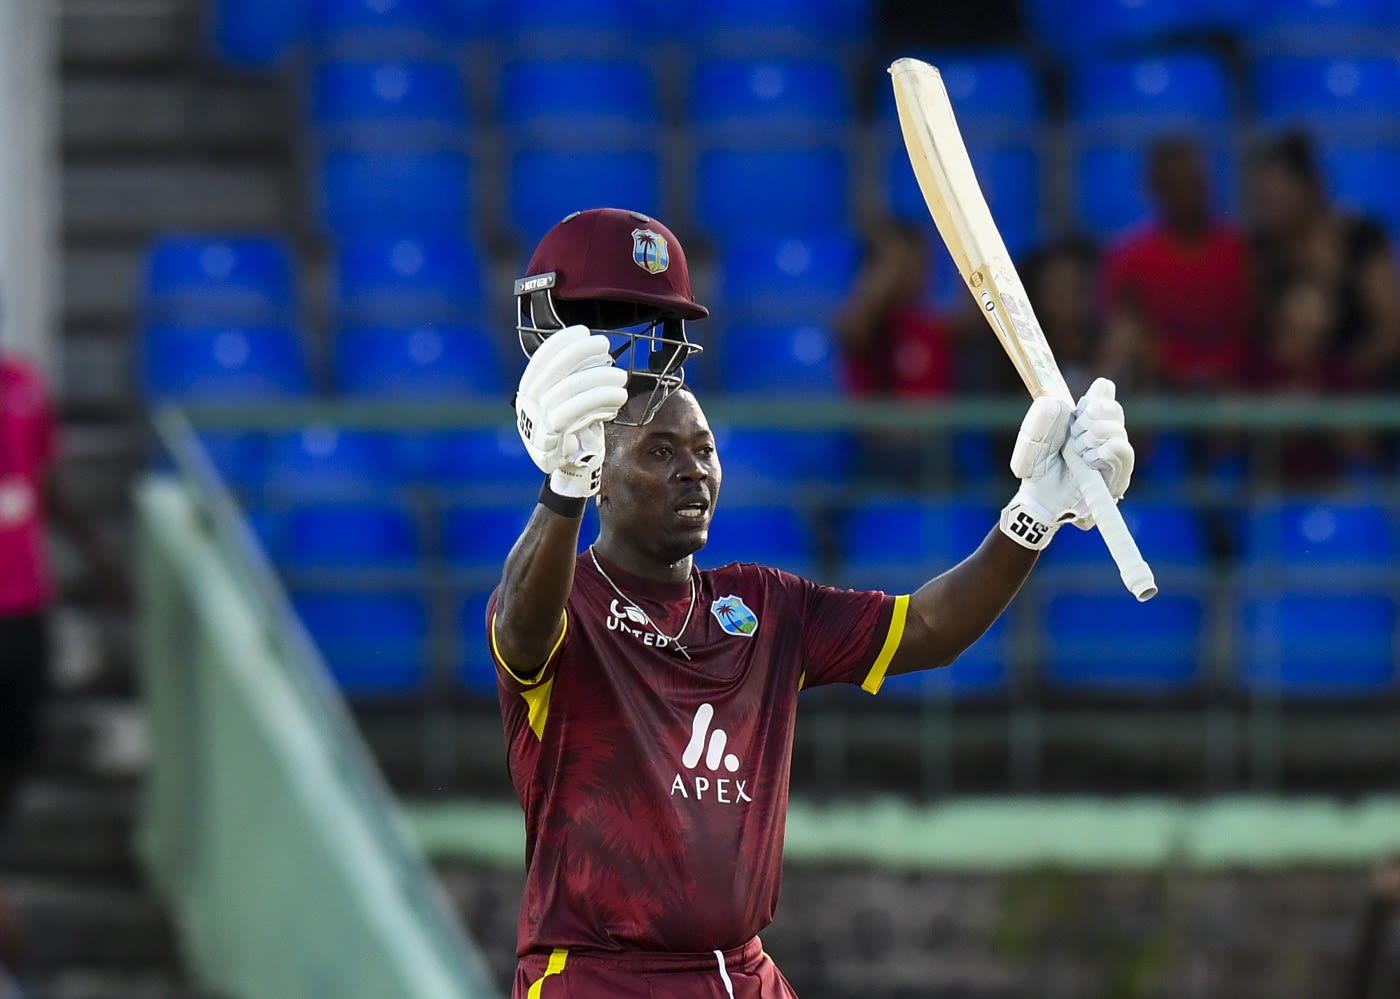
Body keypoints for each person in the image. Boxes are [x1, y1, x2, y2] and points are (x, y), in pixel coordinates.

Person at [489, 207, 1136, 999]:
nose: (694, 470)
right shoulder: (569, 601)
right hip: (598, 979)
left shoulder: (764, 606)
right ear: (602, 475)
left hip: (745, 974)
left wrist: (1034, 511)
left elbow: (930, 628)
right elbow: (519, 627)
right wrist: (560, 490)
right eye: (660, 452)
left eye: (704, 450)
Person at [0, 329, 126, 986]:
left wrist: (97, 553)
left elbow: (43, 483)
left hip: (22, 606)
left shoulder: (22, 388)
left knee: (22, 743)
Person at [1248, 129, 1400, 391]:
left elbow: (1391, 333)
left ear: (1311, 187)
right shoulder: (1261, 249)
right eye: (1264, 200)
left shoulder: (1362, 238)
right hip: (1287, 385)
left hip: (1358, 383)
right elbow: (1265, 335)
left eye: (1278, 198)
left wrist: (1333, 377)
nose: (1270, 209)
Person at [1100, 135, 1254, 394]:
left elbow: (1253, 330)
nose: (1186, 191)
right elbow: (1122, 334)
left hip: (1235, 385)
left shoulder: (1241, 252)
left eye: (1193, 181)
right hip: (1157, 384)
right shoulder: (1130, 258)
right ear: (1156, 188)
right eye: (1175, 183)